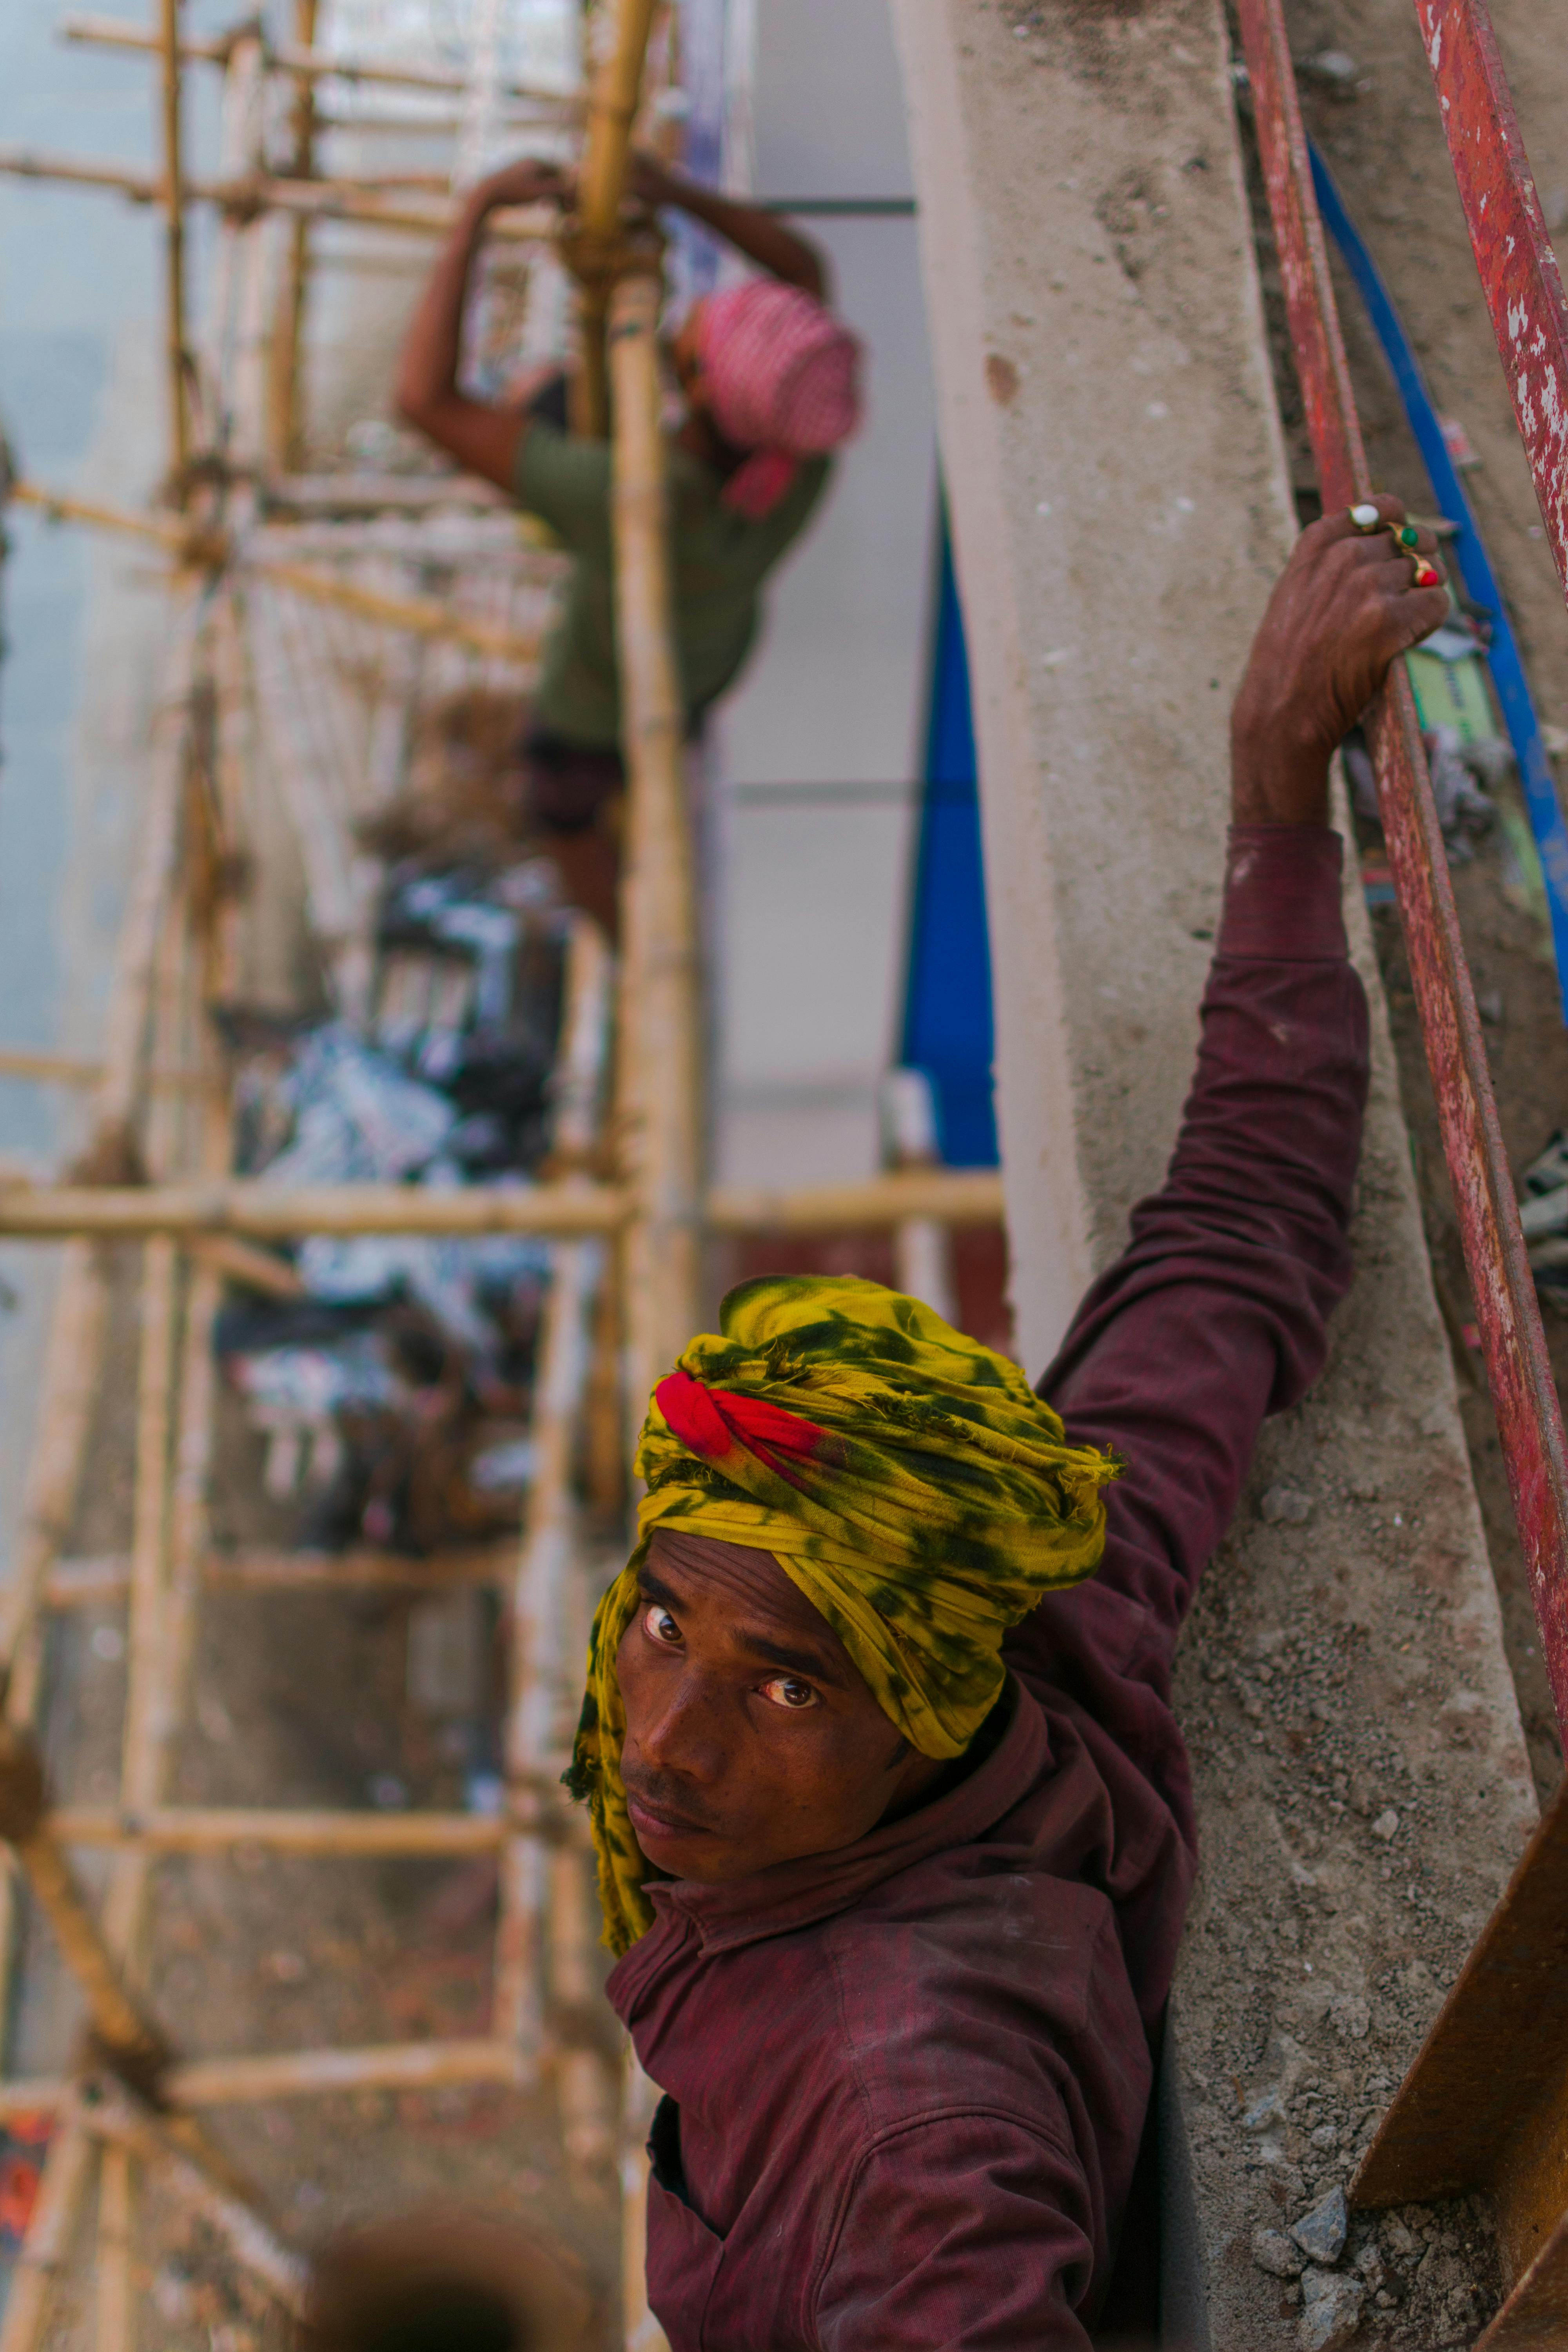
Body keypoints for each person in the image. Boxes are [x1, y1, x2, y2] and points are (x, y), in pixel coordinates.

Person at [563, 498, 1450, 2347]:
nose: (667, 1731)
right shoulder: (1018, 1617)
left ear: (911, 1707)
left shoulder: (901, 2099)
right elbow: (1226, 1245)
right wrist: (1271, 789)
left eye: (784, 1681)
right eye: (662, 1619)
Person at [394, 154, 863, 931]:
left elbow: (423, 400)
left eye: (697, 339)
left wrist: (475, 211)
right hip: (705, 668)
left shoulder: (632, 497)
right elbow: (804, 271)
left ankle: (621, 943)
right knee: (546, 396)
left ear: (705, 393)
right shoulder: (804, 451)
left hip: (590, 705)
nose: (688, 325)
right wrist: (675, 192)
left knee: (566, 818)